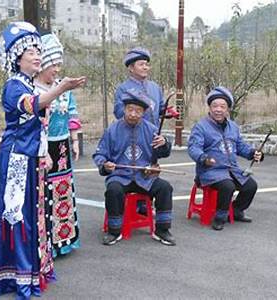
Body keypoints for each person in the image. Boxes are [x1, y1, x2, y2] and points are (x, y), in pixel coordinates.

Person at [0, 21, 86, 299]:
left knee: (34, 215)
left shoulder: (28, 84)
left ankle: (32, 270)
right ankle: (18, 275)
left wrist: (44, 155)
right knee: (18, 217)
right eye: (30, 50)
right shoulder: (14, 87)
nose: (36, 55)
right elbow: (33, 106)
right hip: (16, 160)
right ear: (17, 57)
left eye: (37, 50)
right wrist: (61, 88)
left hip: (31, 157)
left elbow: (40, 125)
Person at [93, 88, 176, 246]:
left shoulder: (151, 129)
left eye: (138, 111)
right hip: (120, 175)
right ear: (124, 109)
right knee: (113, 190)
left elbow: (163, 153)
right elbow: (100, 154)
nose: (133, 114)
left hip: (145, 177)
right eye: (130, 109)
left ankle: (162, 230)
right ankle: (114, 230)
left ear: (143, 113)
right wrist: (105, 165)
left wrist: (164, 143)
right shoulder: (112, 130)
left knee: (165, 187)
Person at [187, 87, 263, 231]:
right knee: (227, 186)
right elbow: (193, 148)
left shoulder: (233, 127)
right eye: (215, 106)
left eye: (222, 106)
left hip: (231, 169)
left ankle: (236, 211)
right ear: (209, 107)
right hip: (210, 171)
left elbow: (241, 147)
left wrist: (253, 153)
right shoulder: (201, 127)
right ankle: (219, 217)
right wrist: (204, 158)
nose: (218, 110)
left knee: (251, 186)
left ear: (227, 109)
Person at [34, 33, 81, 257]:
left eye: (59, 64)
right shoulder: (35, 91)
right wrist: (43, 152)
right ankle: (47, 243)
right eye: (53, 64)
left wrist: (74, 141)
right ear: (42, 64)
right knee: (45, 194)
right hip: (44, 148)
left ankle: (65, 239)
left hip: (62, 147)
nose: (56, 69)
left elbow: (72, 114)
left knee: (64, 191)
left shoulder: (64, 88)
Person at [113, 47, 165, 127]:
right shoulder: (123, 89)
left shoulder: (155, 87)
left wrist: (168, 112)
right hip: (131, 135)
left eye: (146, 64)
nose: (145, 67)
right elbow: (119, 113)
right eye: (141, 64)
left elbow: (161, 109)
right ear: (131, 68)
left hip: (154, 135)